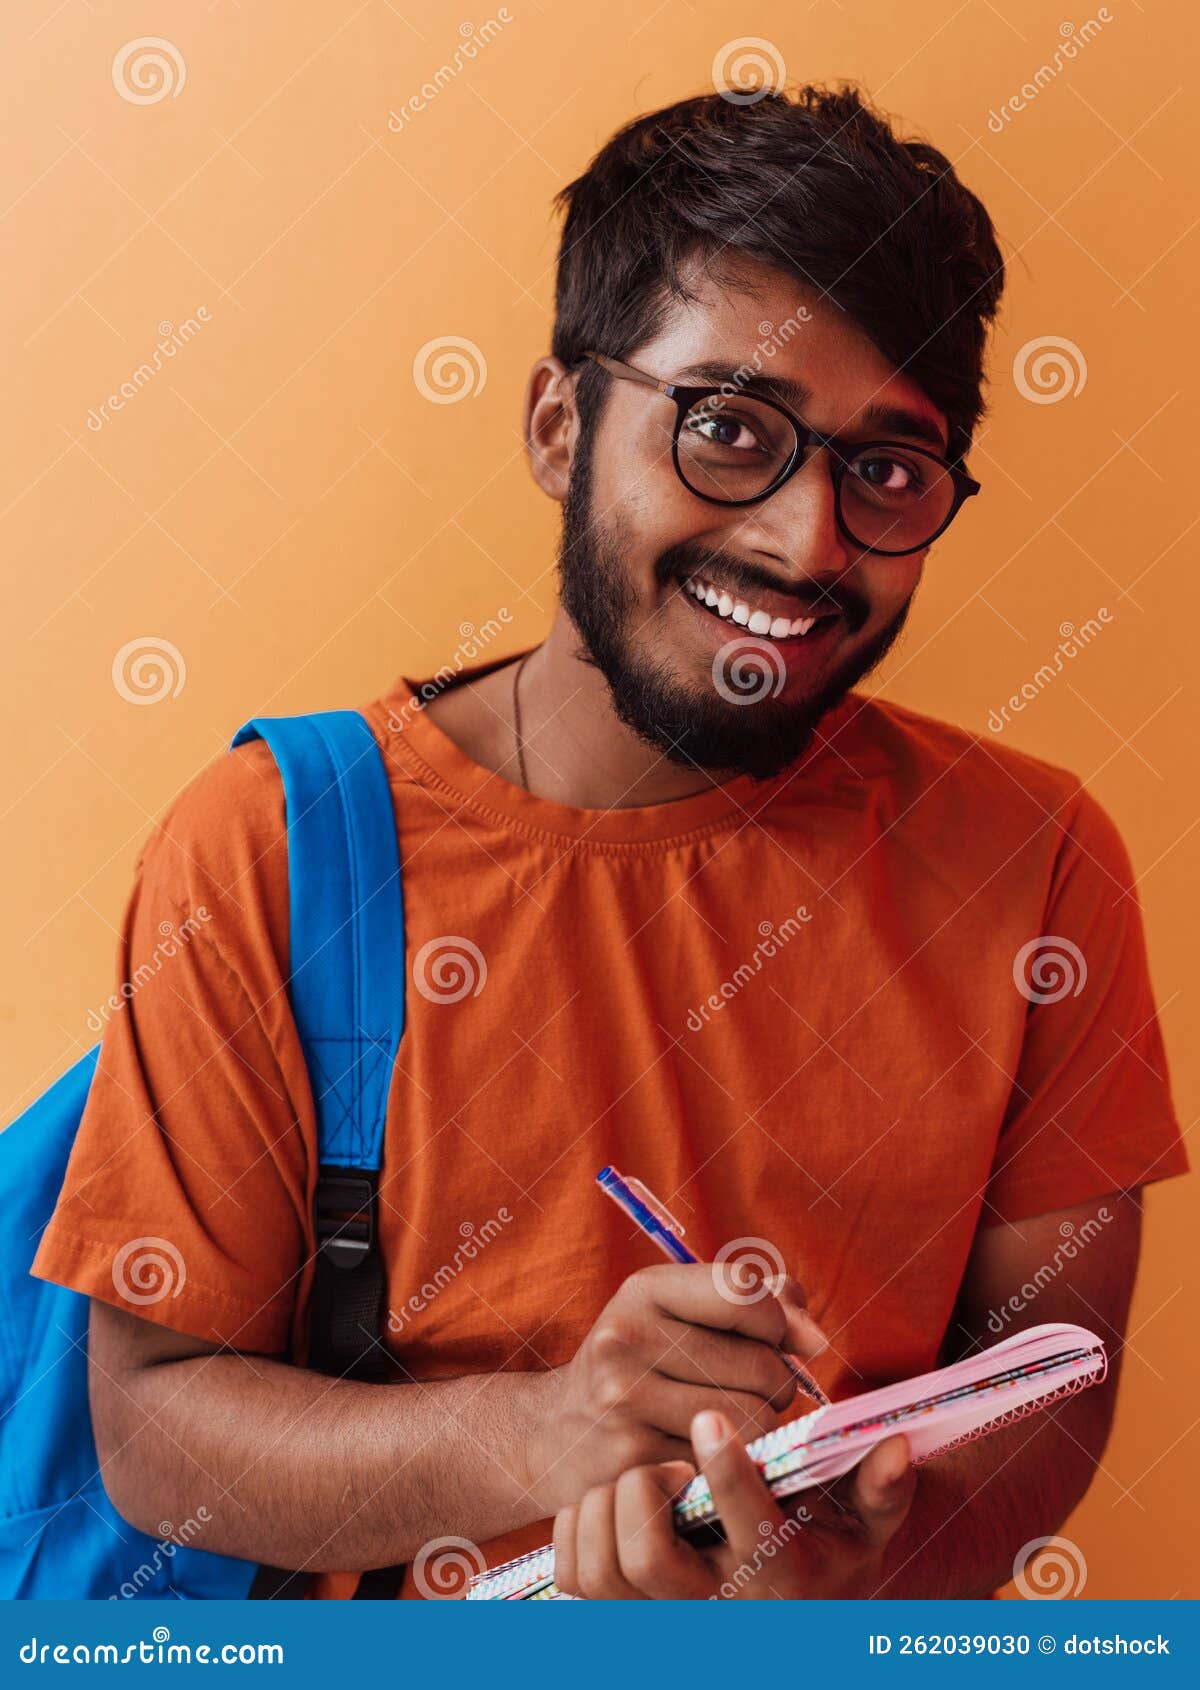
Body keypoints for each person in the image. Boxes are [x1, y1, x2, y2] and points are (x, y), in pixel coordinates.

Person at [32, 85, 1186, 1600]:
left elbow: (1055, 1379)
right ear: (560, 426)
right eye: (726, 428)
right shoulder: (273, 848)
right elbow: (157, 1431)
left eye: (886, 471)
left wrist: (849, 1574)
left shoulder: (1037, 858)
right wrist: (542, 1435)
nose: (804, 543)